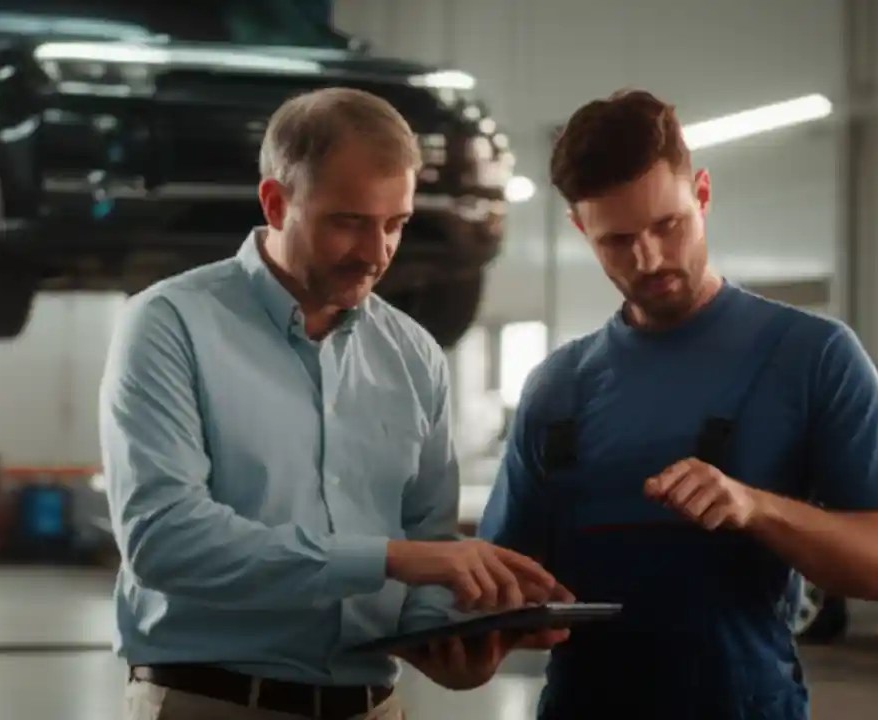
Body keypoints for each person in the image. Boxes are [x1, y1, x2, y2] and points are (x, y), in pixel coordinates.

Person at [99, 87, 565, 720]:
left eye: (395, 224)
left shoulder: (414, 356)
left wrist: (456, 641)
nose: (375, 254)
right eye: (348, 222)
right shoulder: (169, 325)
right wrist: (394, 559)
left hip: (373, 705)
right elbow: (165, 540)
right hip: (212, 703)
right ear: (276, 201)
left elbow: (425, 539)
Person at [478, 89, 878, 720]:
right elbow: (500, 582)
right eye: (617, 240)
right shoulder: (557, 385)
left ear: (703, 194)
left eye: (669, 225)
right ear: (581, 229)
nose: (650, 259)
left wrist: (756, 507)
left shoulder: (811, 356)